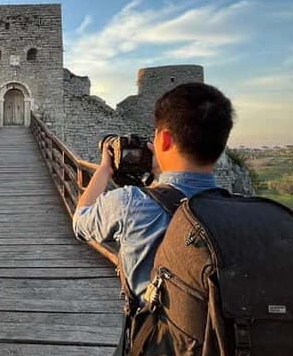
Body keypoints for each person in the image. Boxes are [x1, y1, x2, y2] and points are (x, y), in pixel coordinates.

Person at [72, 81, 234, 308]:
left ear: (165, 139)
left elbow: (80, 223)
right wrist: (156, 178)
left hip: (158, 339)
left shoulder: (130, 203)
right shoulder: (245, 214)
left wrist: (105, 169)